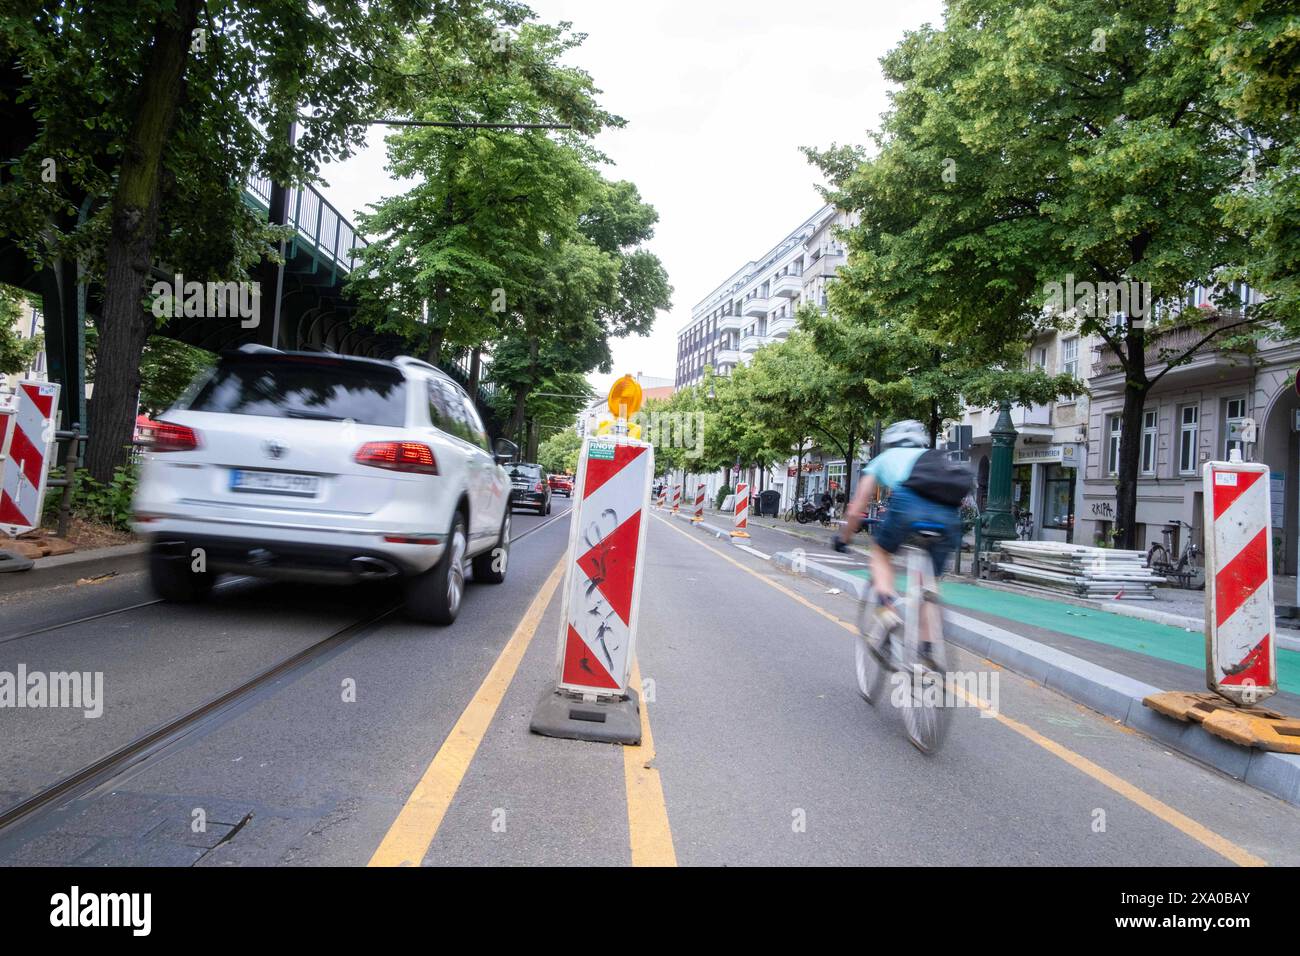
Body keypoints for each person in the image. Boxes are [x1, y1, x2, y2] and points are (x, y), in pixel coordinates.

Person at [834, 420, 964, 645]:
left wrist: (844, 538)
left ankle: (887, 609)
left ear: (890, 442)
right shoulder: (935, 457)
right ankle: (927, 655)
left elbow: (856, 509)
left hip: (907, 503)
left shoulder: (883, 459)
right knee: (929, 583)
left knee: (880, 553)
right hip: (948, 513)